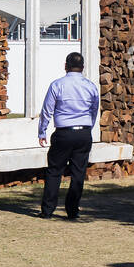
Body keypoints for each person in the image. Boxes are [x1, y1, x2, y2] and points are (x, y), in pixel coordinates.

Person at [38, 50, 100, 220]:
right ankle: (73, 210)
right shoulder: (90, 86)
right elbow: (94, 110)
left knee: (54, 171)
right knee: (78, 172)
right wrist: (88, 128)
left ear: (65, 66)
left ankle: (48, 210)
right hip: (83, 132)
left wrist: (42, 131)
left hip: (63, 132)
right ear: (83, 67)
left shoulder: (57, 85)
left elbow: (47, 111)